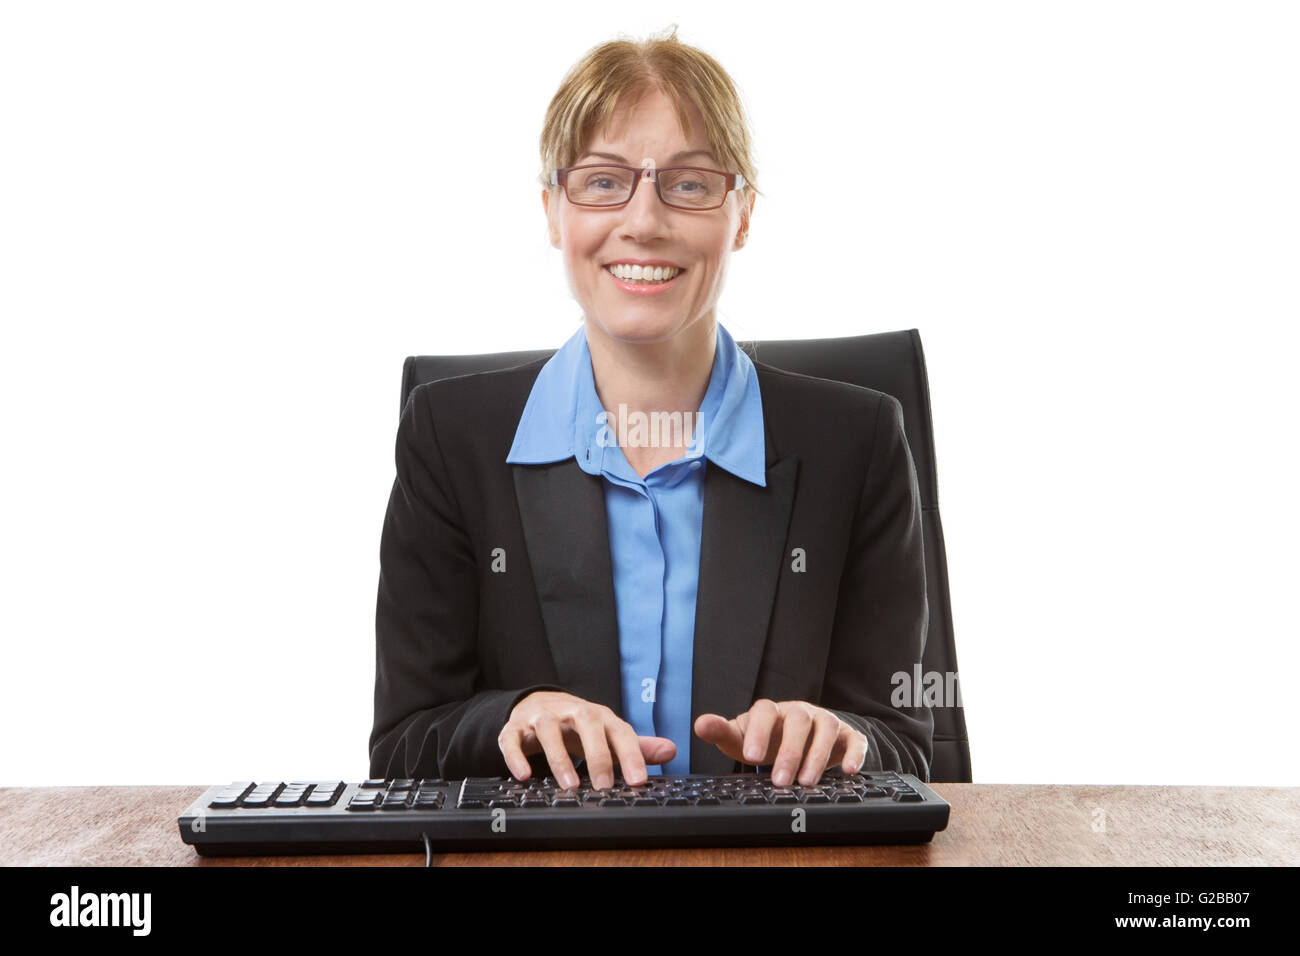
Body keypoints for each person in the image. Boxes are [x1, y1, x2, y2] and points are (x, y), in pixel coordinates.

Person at [369, 27, 933, 791]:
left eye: (690, 183)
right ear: (552, 212)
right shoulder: (450, 440)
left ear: (741, 215)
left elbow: (909, 742)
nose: (643, 221)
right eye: (602, 182)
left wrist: (841, 738)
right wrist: (514, 714)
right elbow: (401, 748)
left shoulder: (858, 442)